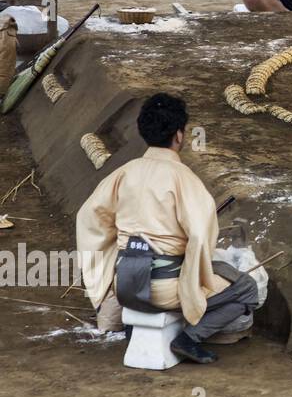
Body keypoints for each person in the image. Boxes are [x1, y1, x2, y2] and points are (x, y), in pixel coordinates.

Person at [76, 93, 260, 364]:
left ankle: (134, 324)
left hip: (124, 285)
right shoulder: (184, 179)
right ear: (179, 135)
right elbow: (201, 237)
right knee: (246, 287)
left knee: (167, 265)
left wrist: (116, 256)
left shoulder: (124, 173)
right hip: (164, 289)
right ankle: (190, 338)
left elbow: (89, 218)